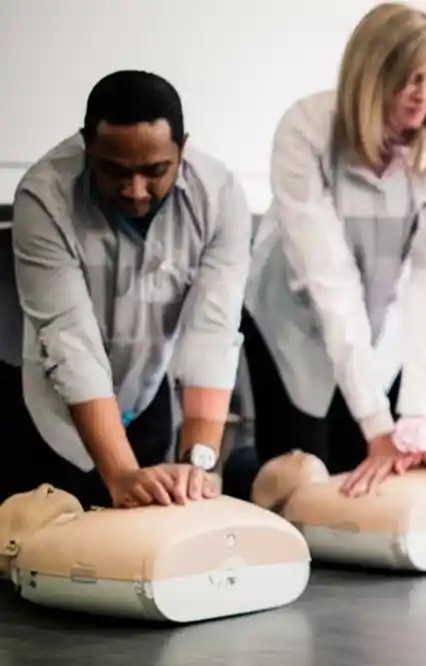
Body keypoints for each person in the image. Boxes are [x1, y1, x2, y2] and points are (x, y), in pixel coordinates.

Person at [241, 2, 426, 499]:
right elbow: (329, 279)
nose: (423, 96)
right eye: (410, 80)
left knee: (369, 472)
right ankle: (239, 482)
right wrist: (375, 421)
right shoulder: (305, 128)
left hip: (381, 319)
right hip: (292, 317)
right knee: (299, 476)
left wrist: (418, 417)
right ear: (373, 74)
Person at [0, 70, 250, 510]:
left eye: (155, 172)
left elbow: (213, 333)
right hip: (59, 415)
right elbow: (70, 342)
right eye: (114, 171)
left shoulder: (220, 196)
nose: (135, 192)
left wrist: (199, 465)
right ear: (86, 145)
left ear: (182, 149)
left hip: (147, 393)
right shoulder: (44, 197)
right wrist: (119, 473)